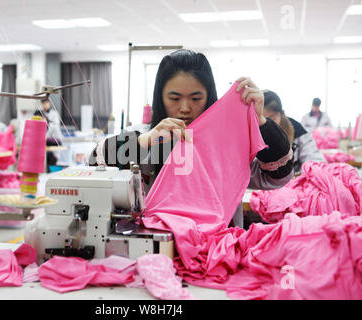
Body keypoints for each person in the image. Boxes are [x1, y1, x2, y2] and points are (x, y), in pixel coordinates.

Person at [88, 49, 293, 228]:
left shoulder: (225, 145)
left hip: (217, 254)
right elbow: (93, 165)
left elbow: (277, 177)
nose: (185, 108)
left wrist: (260, 122)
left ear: (209, 96)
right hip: (157, 253)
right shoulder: (147, 139)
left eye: (196, 98)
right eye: (174, 98)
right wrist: (144, 141)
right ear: (160, 98)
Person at [263, 90, 326, 173]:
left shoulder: (299, 131)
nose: (267, 124)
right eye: (261, 120)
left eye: (271, 118)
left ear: (282, 114)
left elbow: (314, 160)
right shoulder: (254, 134)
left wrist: (300, 177)